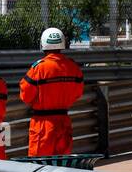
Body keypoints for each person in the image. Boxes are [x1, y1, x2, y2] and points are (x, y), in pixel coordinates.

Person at [20, 27, 85, 157]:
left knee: (39, 166)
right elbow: (78, 93)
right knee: (61, 165)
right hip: (64, 122)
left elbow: (25, 95)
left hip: (43, 125)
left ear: (43, 44)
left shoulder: (39, 68)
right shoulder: (73, 67)